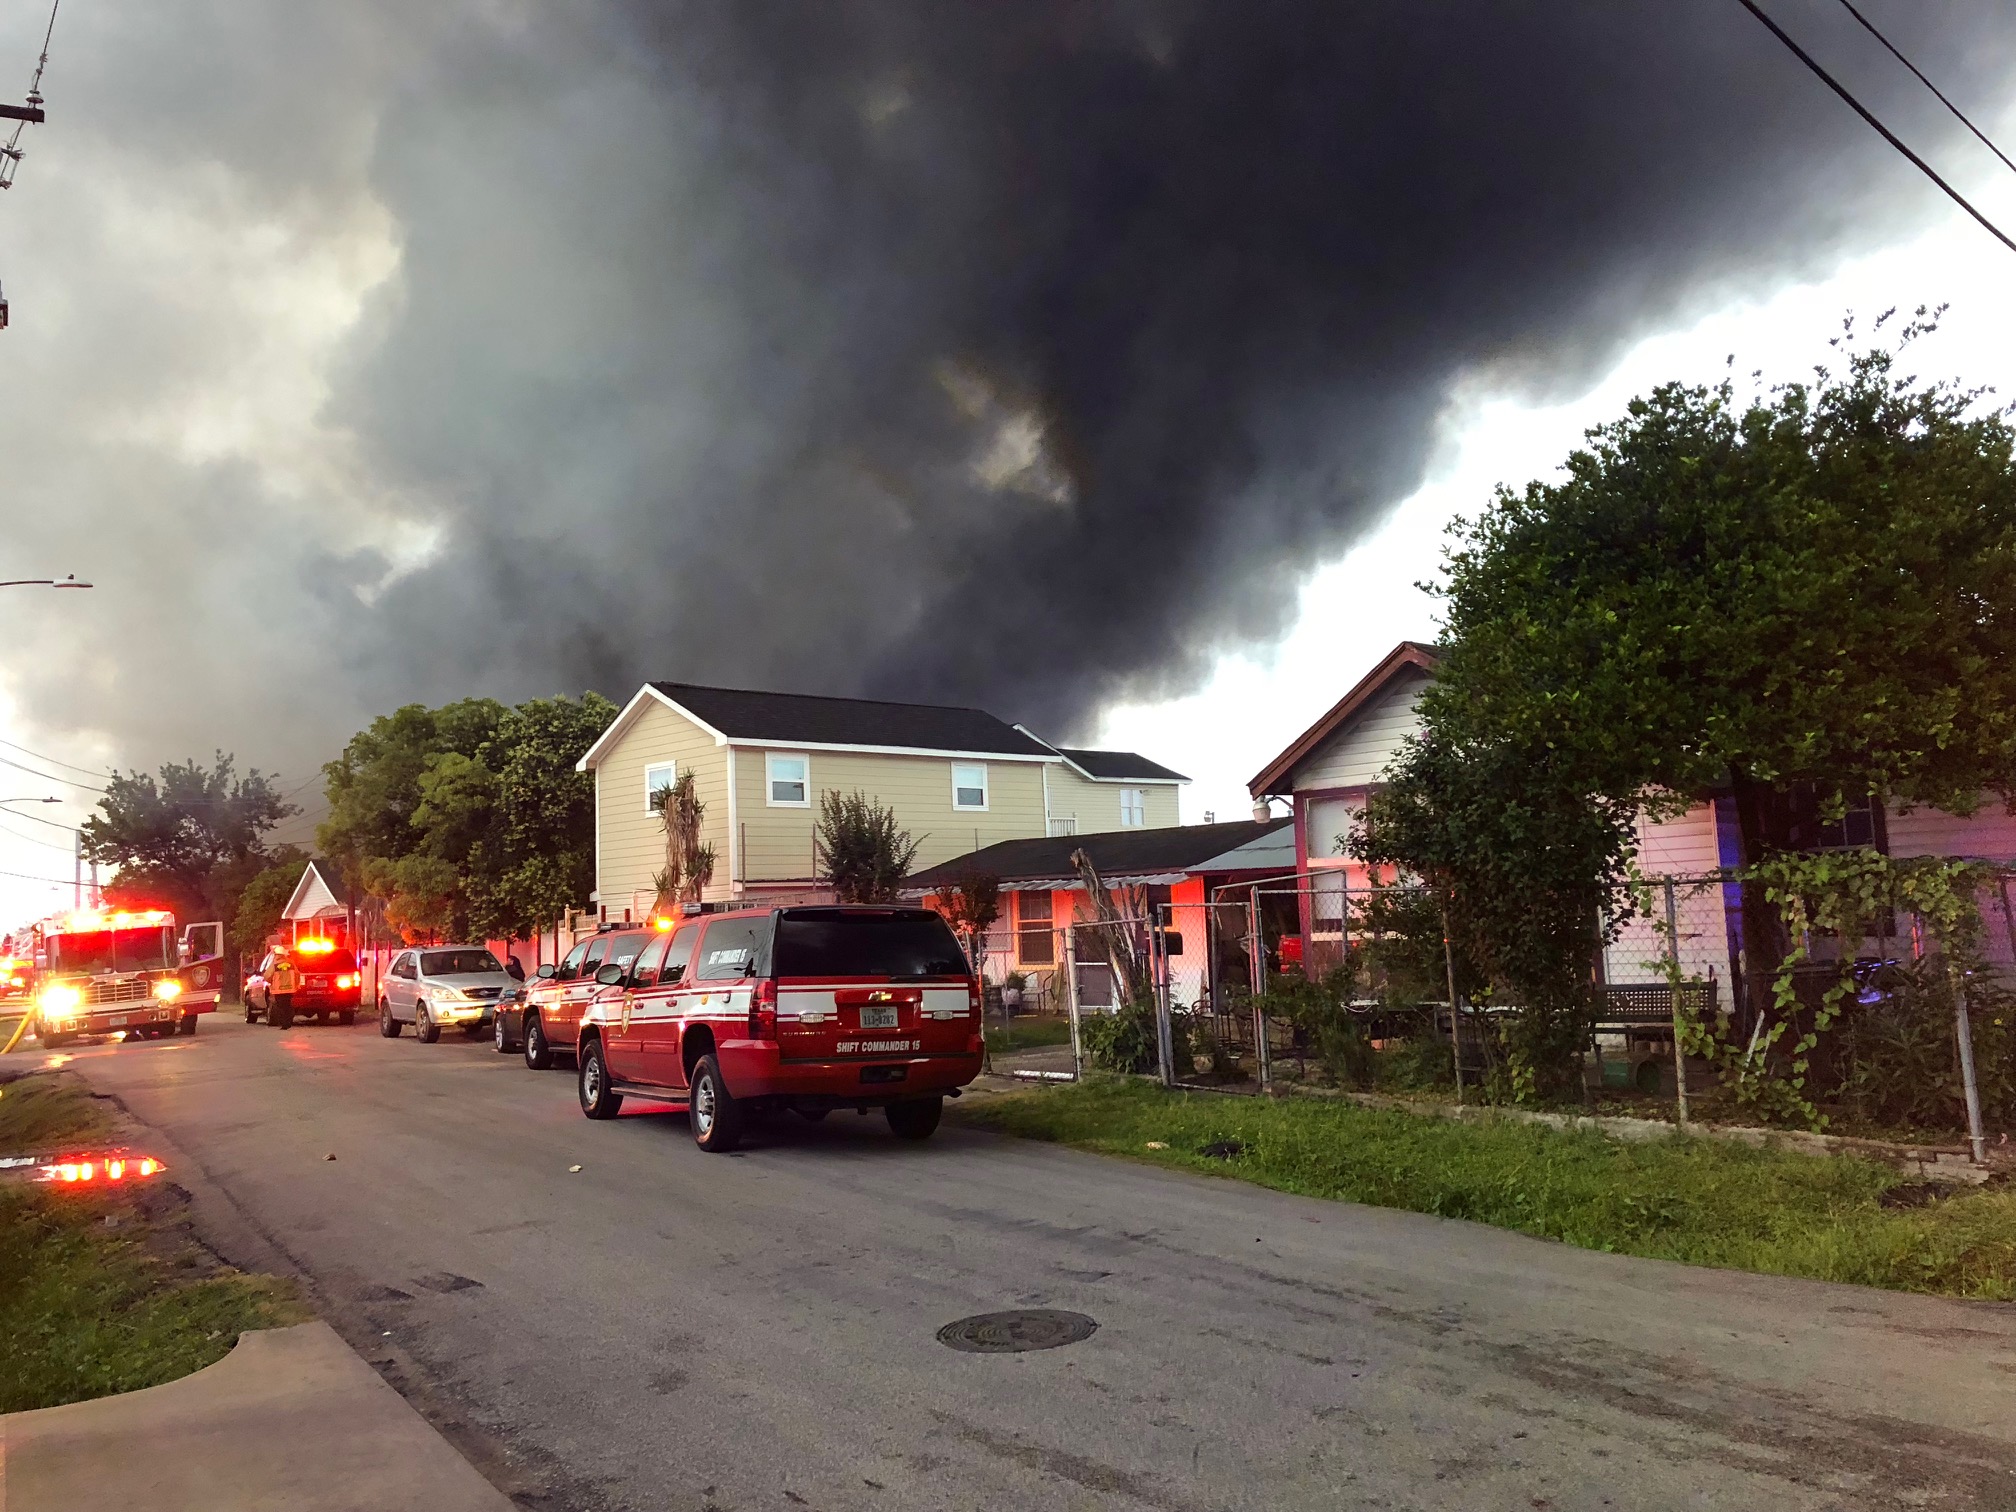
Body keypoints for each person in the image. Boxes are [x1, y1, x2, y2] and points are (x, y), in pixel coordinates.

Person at [268, 947, 299, 1027]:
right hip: (289, 989)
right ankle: (288, 1022)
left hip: (279, 990)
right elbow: (297, 974)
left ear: (277, 955)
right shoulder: (291, 963)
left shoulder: (275, 964)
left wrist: (271, 982)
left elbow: (267, 976)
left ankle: (284, 1024)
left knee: (280, 1007)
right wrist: (296, 985)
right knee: (288, 1006)